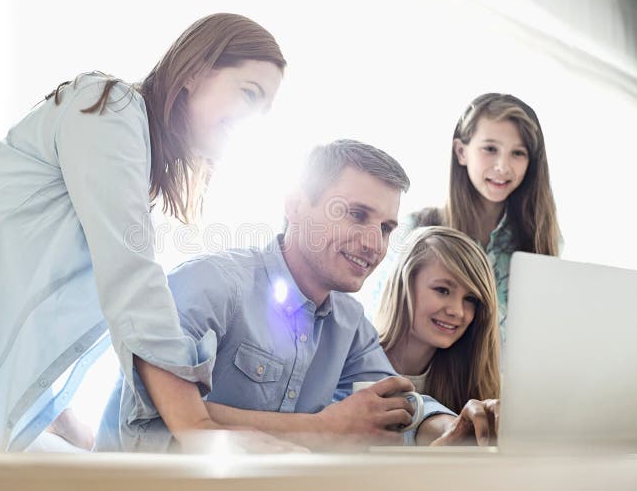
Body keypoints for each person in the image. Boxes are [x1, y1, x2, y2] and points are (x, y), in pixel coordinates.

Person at [0, 13, 285, 450]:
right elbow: (132, 284)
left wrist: (67, 426)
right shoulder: (109, 108)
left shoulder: (135, 169)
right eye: (249, 93)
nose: (253, 117)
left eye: (264, 109)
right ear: (197, 70)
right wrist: (195, 426)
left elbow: (40, 313)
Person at [96, 140, 497, 452]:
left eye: (387, 227)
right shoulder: (210, 284)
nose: (375, 243)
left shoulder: (350, 325)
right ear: (296, 205)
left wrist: (456, 428)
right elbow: (150, 419)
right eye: (357, 215)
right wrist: (324, 429)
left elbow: (404, 406)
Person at [386, 93, 561, 344]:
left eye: (518, 153)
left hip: (509, 381)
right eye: (490, 149)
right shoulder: (416, 229)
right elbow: (382, 324)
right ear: (461, 151)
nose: (503, 166)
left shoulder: (543, 239)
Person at [375, 226, 500, 442]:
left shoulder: (469, 380)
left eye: (470, 299)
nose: (457, 311)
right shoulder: (352, 361)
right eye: (443, 290)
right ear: (405, 284)